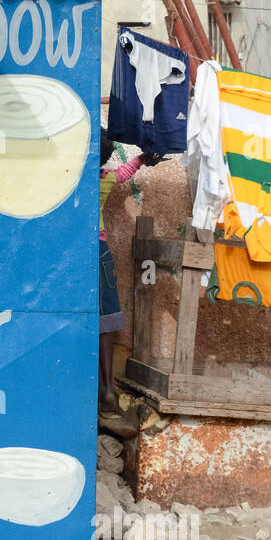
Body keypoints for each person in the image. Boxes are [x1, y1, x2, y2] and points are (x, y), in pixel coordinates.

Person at [98, 130, 162, 409]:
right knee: (106, 319)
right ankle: (108, 389)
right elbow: (124, 172)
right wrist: (141, 159)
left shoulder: (67, 178)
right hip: (99, 251)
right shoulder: (106, 178)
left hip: (71, 254)